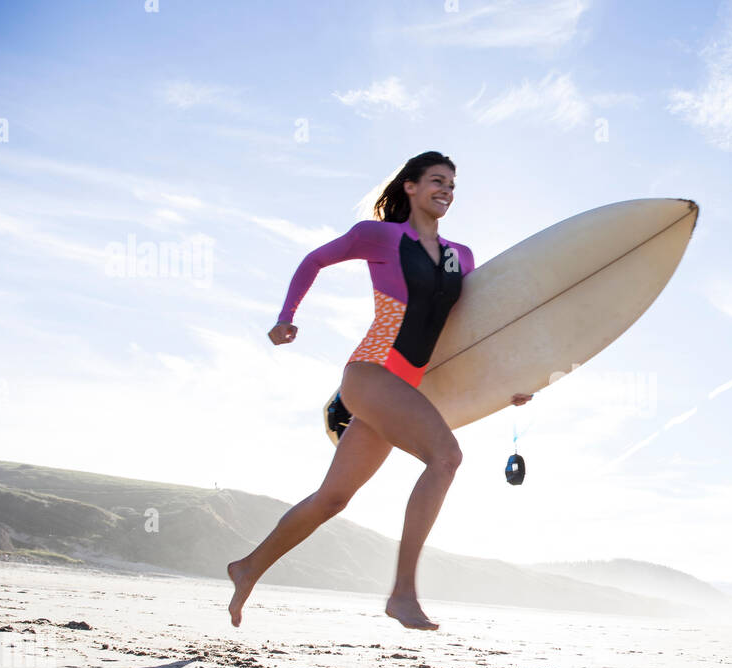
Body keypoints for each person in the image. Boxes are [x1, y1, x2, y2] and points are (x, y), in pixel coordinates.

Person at [227, 150, 532, 631]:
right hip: (370, 374)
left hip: (404, 386)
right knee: (445, 457)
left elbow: (470, 332)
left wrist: (507, 384)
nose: (447, 190)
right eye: (436, 180)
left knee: (333, 498)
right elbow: (316, 259)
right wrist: (287, 317)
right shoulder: (381, 236)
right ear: (409, 186)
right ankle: (403, 593)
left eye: (452, 184)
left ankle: (247, 567)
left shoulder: (462, 257)